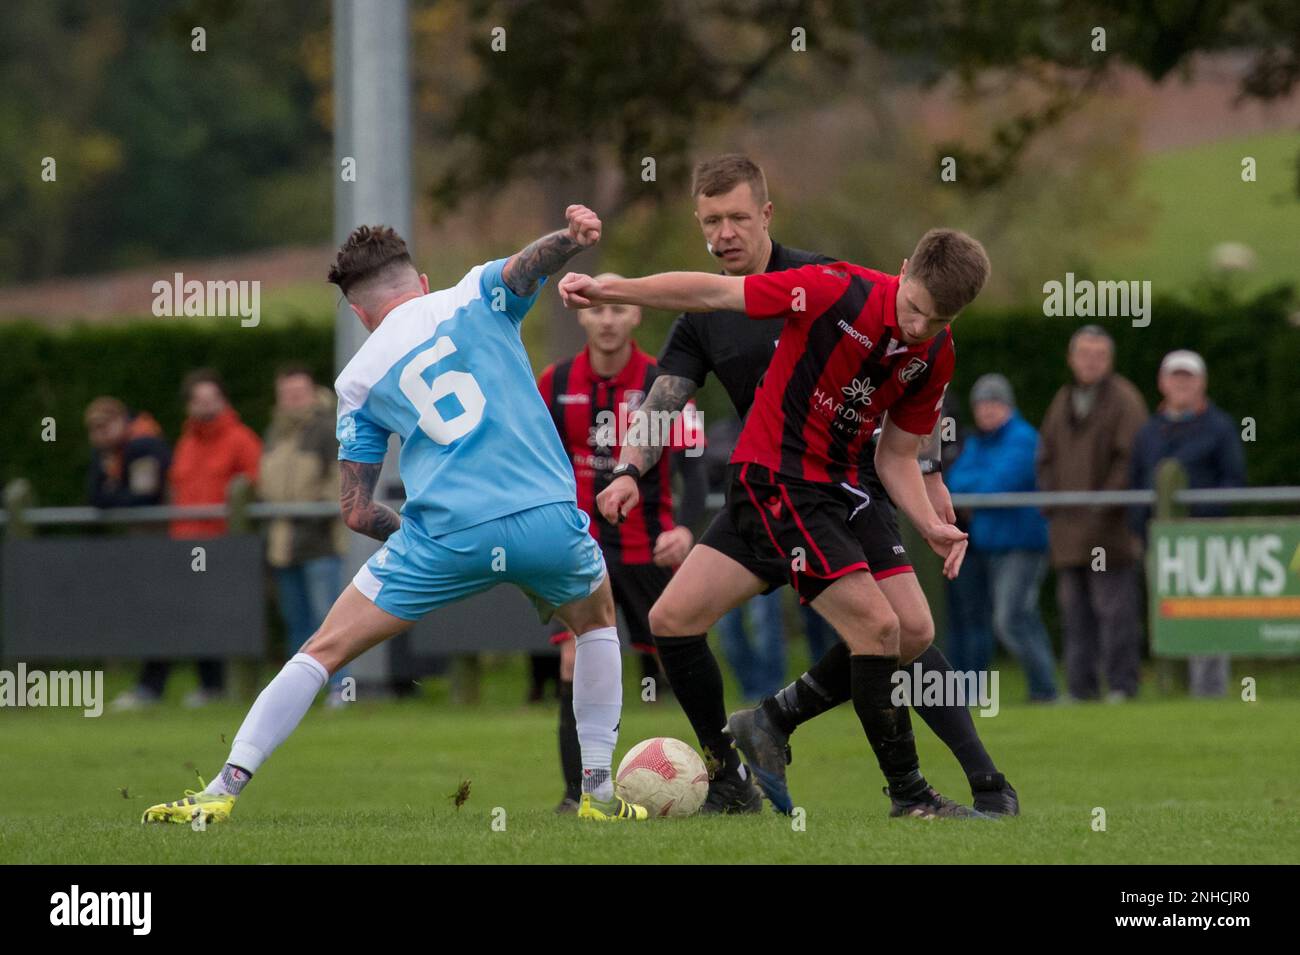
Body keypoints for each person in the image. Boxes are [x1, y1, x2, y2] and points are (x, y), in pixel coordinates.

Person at [143, 207, 649, 824]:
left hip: (445, 534)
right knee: (596, 624)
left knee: (321, 651)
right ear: (422, 281)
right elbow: (528, 263)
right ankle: (597, 796)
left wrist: (422, 538)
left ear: (359, 314)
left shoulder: (356, 379)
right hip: (546, 517)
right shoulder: (475, 293)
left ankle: (221, 790)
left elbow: (354, 510)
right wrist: (571, 239)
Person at [586, 154, 1015, 817]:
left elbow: (901, 452)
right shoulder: (830, 289)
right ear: (901, 273)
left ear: (765, 214)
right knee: (867, 626)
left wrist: (932, 514)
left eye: (935, 320)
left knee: (911, 628)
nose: (916, 328)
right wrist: (621, 290)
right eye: (710, 220)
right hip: (776, 482)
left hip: (843, 486)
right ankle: (894, 794)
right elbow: (700, 311)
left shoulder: (927, 343)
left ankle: (780, 725)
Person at [537, 277, 707, 812]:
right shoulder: (555, 381)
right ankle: (577, 795)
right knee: (574, 664)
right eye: (598, 311)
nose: (607, 319)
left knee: (684, 664)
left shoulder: (664, 380)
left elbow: (696, 469)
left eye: (618, 309)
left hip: (651, 550)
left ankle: (724, 777)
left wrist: (687, 529)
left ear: (635, 316)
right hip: (582, 552)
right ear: (583, 318)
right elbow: (536, 462)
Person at [113, 370, 261, 710]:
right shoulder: (186, 443)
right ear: (189, 404)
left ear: (223, 400)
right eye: (199, 399)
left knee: (207, 617)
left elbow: (254, 488)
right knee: (170, 614)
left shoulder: (241, 440)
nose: (205, 405)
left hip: (220, 546)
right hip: (183, 545)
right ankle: (155, 688)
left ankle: (209, 687)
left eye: (212, 398)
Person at [1037, 326, 1148, 702]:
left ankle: (1122, 685)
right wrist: (1051, 500)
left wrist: (1103, 502)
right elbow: (1046, 456)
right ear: (1071, 358)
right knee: (1074, 613)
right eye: (1084, 354)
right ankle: (1081, 688)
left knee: (1114, 611)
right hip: (1068, 531)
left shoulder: (1125, 399)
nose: (1090, 361)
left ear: (1110, 360)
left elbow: (1130, 458)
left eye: (1099, 355)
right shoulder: (1062, 399)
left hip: (1110, 531)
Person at [1130, 350, 1245, 697]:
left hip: (1205, 540)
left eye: (1188, 377)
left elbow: (1234, 482)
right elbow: (1135, 482)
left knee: (1206, 616)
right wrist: (1140, 530)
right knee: (1167, 616)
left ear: (1202, 383)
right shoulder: (1149, 431)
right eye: (1175, 377)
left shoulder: (1220, 427)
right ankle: (1172, 689)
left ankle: (1209, 692)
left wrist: (1196, 513)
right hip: (1160, 543)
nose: (1181, 384)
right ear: (1162, 383)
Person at [946, 374, 1058, 702]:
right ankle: (1044, 689)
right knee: (1020, 616)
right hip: (993, 544)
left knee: (1010, 619)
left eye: (994, 403)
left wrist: (974, 485)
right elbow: (954, 481)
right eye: (981, 404)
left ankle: (1044, 689)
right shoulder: (979, 441)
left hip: (1022, 544)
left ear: (1008, 405)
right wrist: (976, 484)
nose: (987, 410)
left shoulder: (1023, 439)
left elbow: (997, 484)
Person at [259, 364, 350, 706]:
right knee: (296, 623)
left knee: (328, 621)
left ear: (312, 393)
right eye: (287, 394)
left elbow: (338, 483)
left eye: (299, 393)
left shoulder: (327, 429)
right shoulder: (275, 433)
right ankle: (298, 696)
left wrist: (314, 511)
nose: (293, 401)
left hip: (320, 541)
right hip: (284, 544)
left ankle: (341, 689)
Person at [707, 417, 788, 702]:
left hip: (768, 542)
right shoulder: (724, 431)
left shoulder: (781, 426)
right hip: (729, 543)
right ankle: (753, 689)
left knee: (766, 620)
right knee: (727, 625)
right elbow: (710, 466)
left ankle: (772, 690)